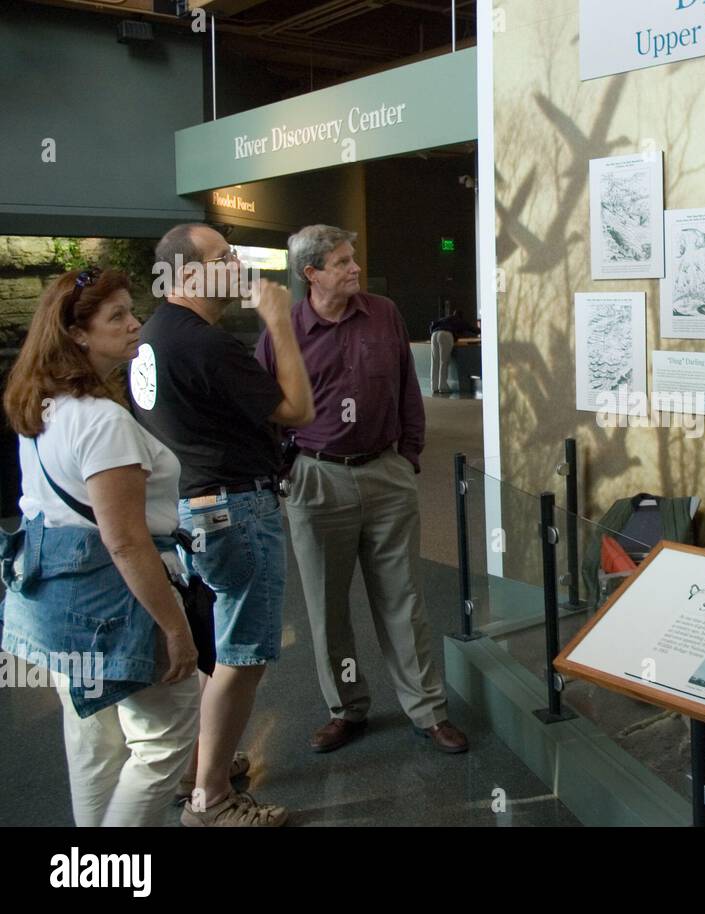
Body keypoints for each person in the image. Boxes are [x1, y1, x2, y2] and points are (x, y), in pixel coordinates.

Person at [0, 267, 200, 827]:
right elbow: (126, 541)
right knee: (162, 743)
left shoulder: (39, 407)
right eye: (117, 316)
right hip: (116, 604)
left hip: (57, 603)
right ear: (78, 334)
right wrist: (175, 630)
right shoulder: (103, 421)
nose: (134, 323)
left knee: (93, 739)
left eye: (130, 311)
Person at [130, 224, 315, 827]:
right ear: (188, 274)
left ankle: (197, 769)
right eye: (223, 258)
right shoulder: (209, 345)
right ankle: (211, 799)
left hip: (196, 511)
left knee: (222, 646)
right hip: (238, 510)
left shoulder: (153, 337)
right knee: (243, 653)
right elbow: (297, 410)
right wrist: (279, 322)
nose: (237, 265)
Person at [258, 224, 468, 755]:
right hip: (315, 477)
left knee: (404, 600)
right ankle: (346, 709)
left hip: (387, 472)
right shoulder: (284, 329)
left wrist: (409, 455)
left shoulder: (385, 314)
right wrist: (287, 472)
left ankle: (427, 710)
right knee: (327, 609)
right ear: (311, 274)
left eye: (354, 258)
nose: (355, 269)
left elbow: (406, 389)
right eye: (343, 262)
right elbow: (260, 407)